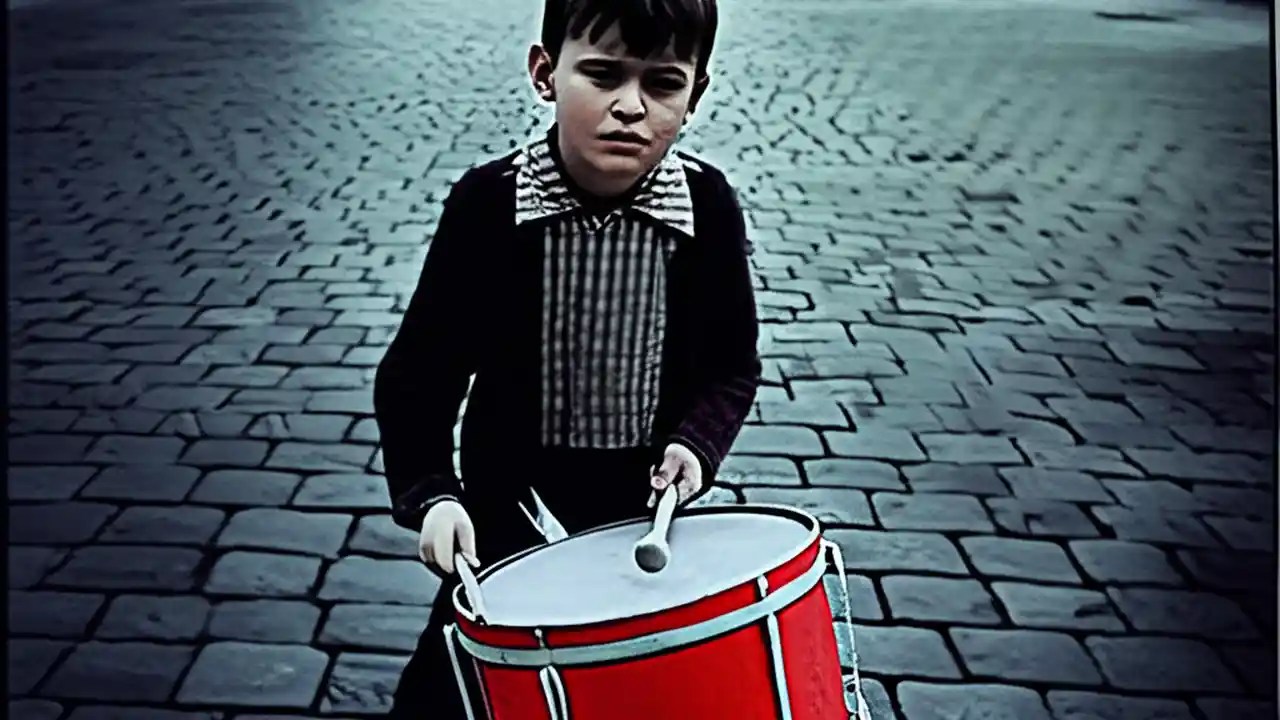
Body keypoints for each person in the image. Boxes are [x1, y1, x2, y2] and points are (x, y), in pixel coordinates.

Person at [373, 0, 760, 715]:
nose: (630, 107)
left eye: (663, 83)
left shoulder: (706, 206)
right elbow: (419, 374)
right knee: (462, 684)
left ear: (696, 94)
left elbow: (731, 364)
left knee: (628, 683)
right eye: (603, 75)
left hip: (641, 513)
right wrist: (433, 494)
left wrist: (695, 445)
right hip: (508, 511)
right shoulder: (489, 205)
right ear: (545, 74)